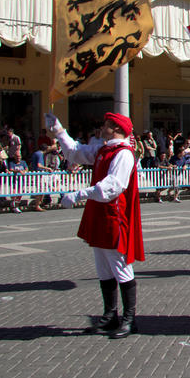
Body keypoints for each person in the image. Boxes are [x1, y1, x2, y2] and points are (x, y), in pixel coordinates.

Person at [48, 111, 144, 339]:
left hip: (113, 217)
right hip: (100, 215)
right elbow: (75, 153)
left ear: (117, 129)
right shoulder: (104, 150)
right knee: (103, 267)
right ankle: (110, 315)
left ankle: (130, 319)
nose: (102, 128)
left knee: (120, 267)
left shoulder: (123, 154)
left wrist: (80, 193)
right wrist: (60, 131)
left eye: (106, 125)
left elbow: (114, 185)